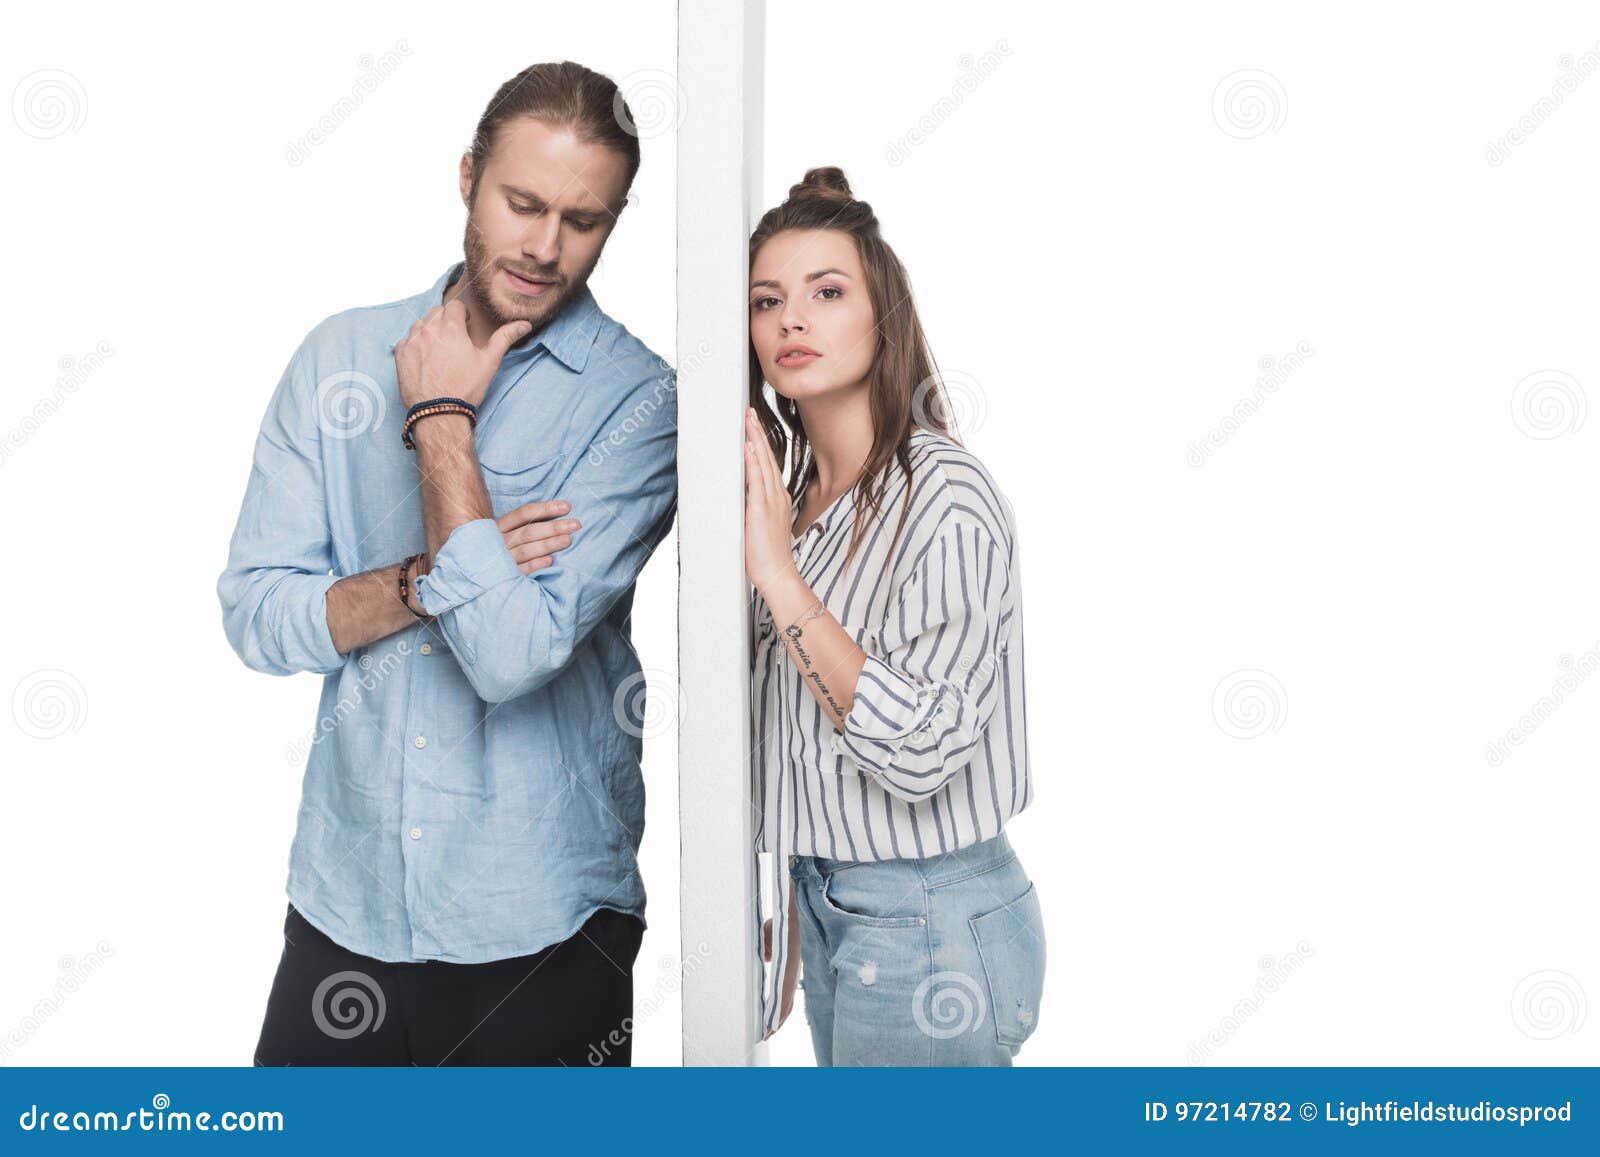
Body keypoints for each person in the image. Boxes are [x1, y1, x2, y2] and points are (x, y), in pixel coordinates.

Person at [217, 60, 677, 1065]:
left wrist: (440, 420)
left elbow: (511, 655)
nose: (548, 247)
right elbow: (256, 614)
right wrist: (431, 579)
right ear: (467, 175)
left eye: (585, 219)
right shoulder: (339, 359)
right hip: (347, 904)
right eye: (522, 203)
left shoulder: (640, 405)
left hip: (542, 924)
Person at [743, 167, 1043, 1065]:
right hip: (844, 908)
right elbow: (796, 728)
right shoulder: (798, 498)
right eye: (767, 301)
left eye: (827, 292)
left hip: (927, 917)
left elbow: (921, 750)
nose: (791, 320)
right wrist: (802, 901)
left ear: (885, 319)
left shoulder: (942, 497)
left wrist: (778, 578)